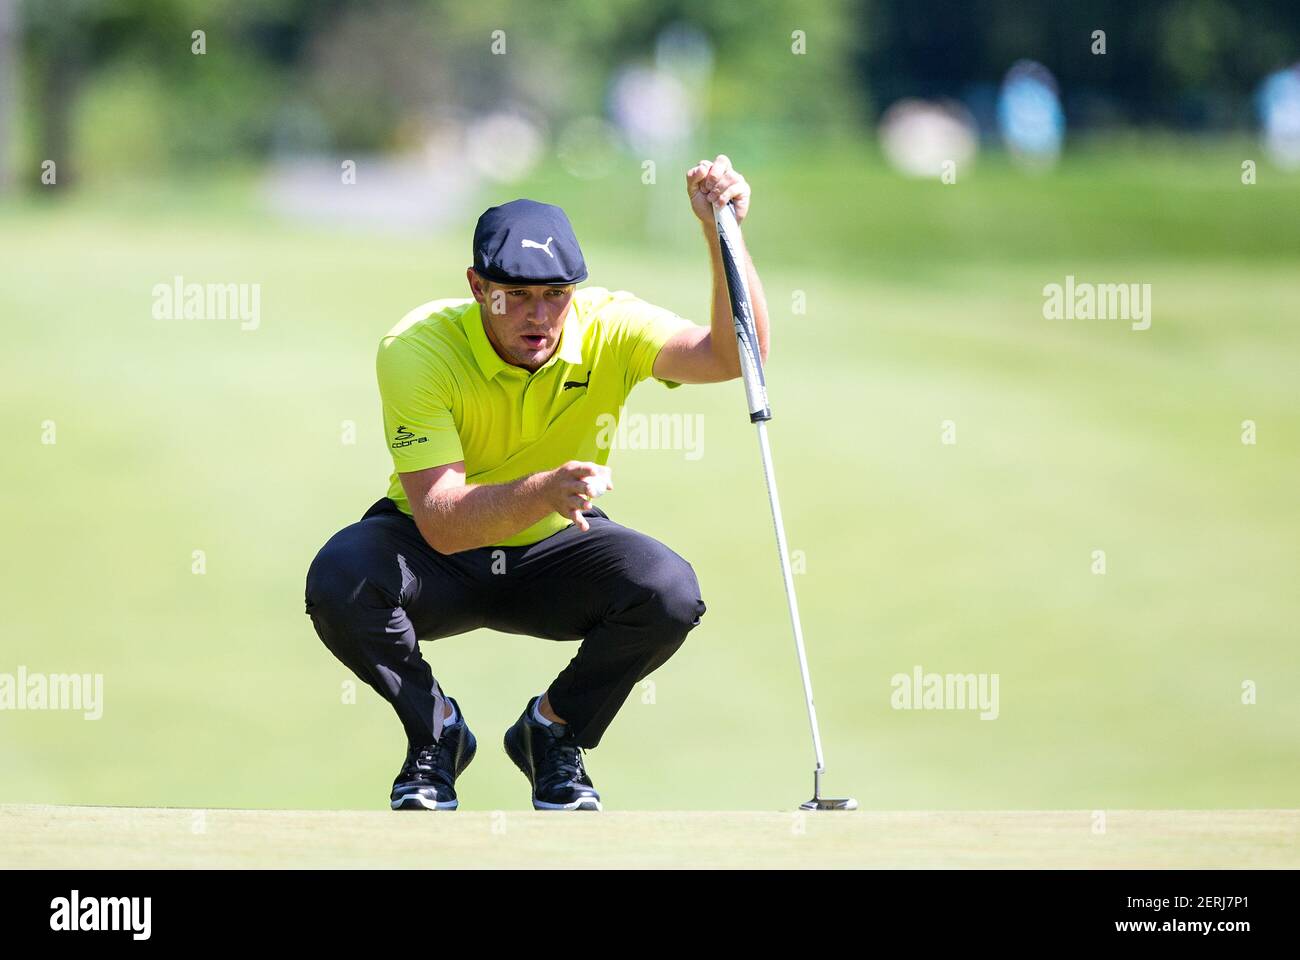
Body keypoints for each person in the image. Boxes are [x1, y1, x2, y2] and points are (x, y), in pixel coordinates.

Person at [304, 155, 769, 810]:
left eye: (555, 294)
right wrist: (543, 490)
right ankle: (434, 734)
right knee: (340, 578)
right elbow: (439, 518)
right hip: (435, 554)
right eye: (514, 295)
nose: (538, 315)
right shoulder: (417, 347)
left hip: (556, 551)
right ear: (476, 286)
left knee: (667, 592)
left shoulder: (611, 324)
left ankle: (552, 733)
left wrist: (722, 231)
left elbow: (730, 356)